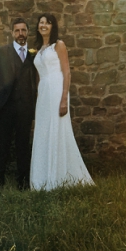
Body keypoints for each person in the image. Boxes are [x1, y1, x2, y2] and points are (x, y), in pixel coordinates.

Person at [29, 13, 94, 190]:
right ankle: (42, 178)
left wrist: (64, 98)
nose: (43, 25)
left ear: (53, 27)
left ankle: (59, 177)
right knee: (44, 131)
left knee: (57, 130)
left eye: (47, 23)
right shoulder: (38, 49)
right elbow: (39, 76)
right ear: (38, 26)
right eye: (41, 22)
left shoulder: (59, 45)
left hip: (57, 90)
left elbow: (67, 72)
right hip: (44, 93)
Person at [0, 18, 37, 189]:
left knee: (23, 146)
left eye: (23, 30)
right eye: (17, 30)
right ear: (12, 33)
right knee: (2, 146)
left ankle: (23, 185)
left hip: (25, 108)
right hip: (5, 108)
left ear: (27, 32)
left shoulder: (33, 54)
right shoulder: (1, 52)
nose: (20, 34)